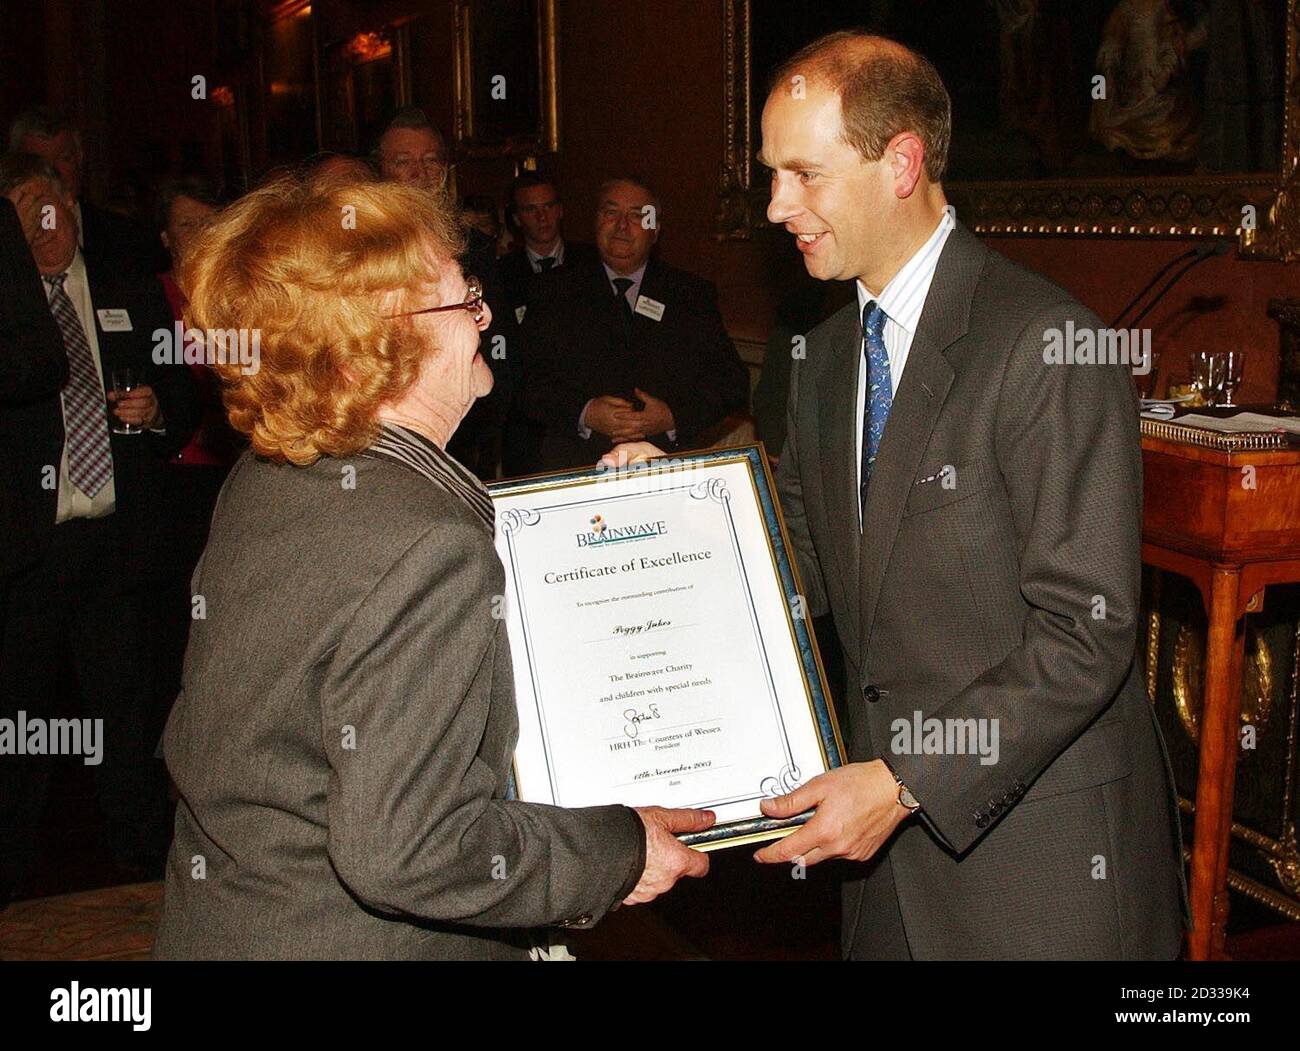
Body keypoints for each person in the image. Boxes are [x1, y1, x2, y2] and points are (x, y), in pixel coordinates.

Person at [609, 31, 1186, 960]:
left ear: (902, 164)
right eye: (770, 174)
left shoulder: (1044, 345)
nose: (775, 205)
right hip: (882, 881)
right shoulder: (830, 351)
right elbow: (792, 556)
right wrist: (660, 514)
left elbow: (1089, 631)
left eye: (804, 174)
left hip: (1037, 872)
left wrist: (908, 778)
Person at [150, 172, 713, 960]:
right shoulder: (425, 542)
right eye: (460, 298)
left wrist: (619, 515)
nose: (484, 314)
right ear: (376, 347)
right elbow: (408, 848)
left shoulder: (269, 474)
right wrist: (618, 851)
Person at [0, 152, 197, 894]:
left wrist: (158, 412)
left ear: (73, 209)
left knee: (124, 703)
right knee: (20, 711)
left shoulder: (131, 295)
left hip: (116, 541)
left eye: (48, 208)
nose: (42, 228)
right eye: (21, 215)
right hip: (32, 547)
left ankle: (141, 856)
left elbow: (183, 396)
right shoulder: (10, 309)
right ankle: (14, 862)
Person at [522, 177, 748, 472]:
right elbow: (526, 381)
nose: (622, 225)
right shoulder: (552, 291)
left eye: (639, 216)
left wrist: (671, 416)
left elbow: (731, 382)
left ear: (655, 230)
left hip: (665, 468)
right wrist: (586, 413)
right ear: (596, 222)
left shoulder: (689, 295)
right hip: (575, 468)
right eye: (611, 212)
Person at [376, 107, 512, 478]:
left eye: (431, 160)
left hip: (465, 432)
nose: (419, 173)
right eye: (404, 161)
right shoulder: (362, 251)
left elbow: (498, 346)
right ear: (382, 170)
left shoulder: (476, 248)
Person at [9, 106, 164, 276]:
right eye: (39, 164)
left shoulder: (130, 240)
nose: (54, 173)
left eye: (64, 159)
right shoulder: (8, 244)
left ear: (80, 159)